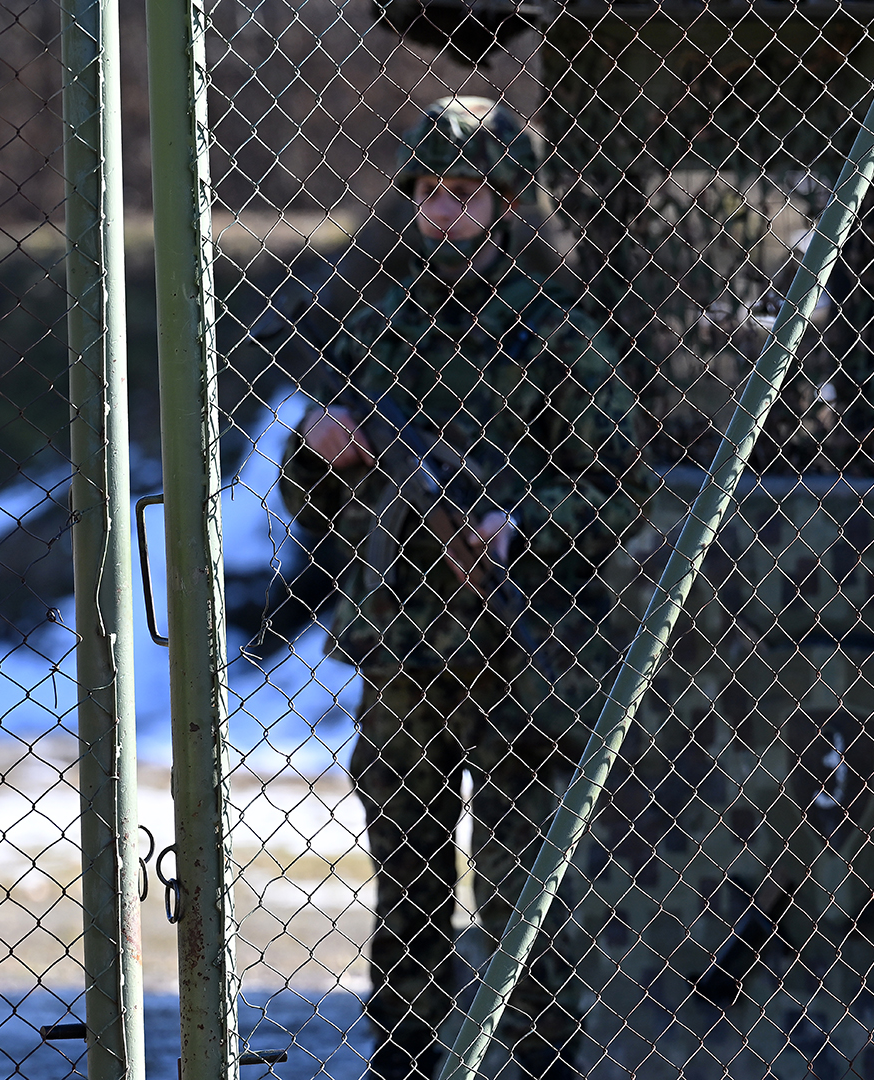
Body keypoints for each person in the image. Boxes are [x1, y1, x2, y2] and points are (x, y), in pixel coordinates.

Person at [279, 97, 654, 1080]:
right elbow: (315, 508)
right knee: (406, 884)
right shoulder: (373, 331)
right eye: (431, 195)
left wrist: (520, 525)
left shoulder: (558, 337)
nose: (443, 214)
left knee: (521, 887)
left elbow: (622, 491)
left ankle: (541, 1064)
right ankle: (403, 1061)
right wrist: (316, 452)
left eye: (466, 197)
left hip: (520, 659)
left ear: (508, 208)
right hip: (404, 659)